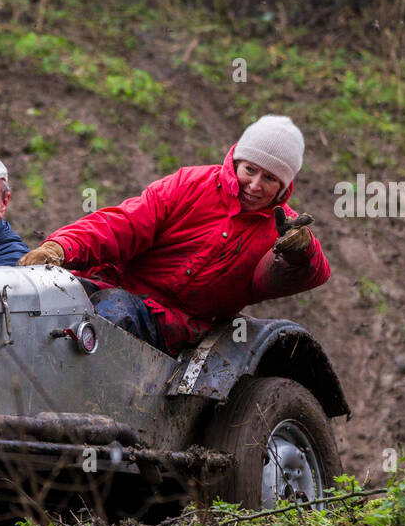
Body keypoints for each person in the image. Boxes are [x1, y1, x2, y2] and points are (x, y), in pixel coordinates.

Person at [18, 115, 329, 355]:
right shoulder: (189, 184)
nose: (255, 184)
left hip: (175, 324)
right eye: (250, 170)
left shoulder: (283, 230)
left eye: (270, 177)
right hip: (113, 283)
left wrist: (301, 252)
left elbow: (306, 273)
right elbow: (125, 223)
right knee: (48, 295)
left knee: (111, 313)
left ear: (285, 187)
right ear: (236, 162)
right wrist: (62, 246)